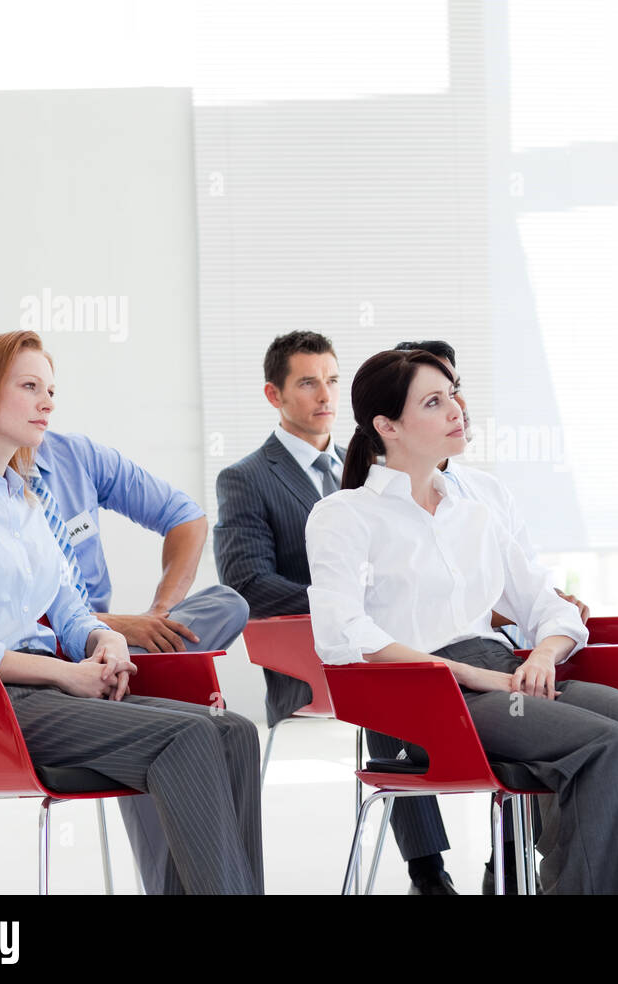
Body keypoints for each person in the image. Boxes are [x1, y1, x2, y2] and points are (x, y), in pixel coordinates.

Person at [306, 348, 618, 894]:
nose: (456, 410)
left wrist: (544, 653)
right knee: (606, 746)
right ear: (388, 426)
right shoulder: (344, 515)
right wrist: (470, 675)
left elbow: (548, 604)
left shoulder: (476, 513)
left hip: (503, 674)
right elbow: (341, 635)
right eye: (433, 401)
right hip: (422, 698)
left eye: (451, 395)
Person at [0, 330, 263, 894]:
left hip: (52, 699)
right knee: (187, 739)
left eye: (51, 388)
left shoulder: (25, 502)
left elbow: (69, 607)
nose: (48, 402)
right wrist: (65, 672)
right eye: (30, 386)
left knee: (232, 732)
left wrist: (101, 641)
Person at [213, 331, 458, 894]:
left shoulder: (374, 458)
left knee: (509, 670)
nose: (324, 394)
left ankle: (513, 852)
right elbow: (247, 584)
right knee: (381, 669)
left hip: (407, 631)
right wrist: (347, 600)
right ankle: (429, 873)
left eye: (331, 379)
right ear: (274, 395)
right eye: (307, 382)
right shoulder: (247, 479)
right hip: (315, 651)